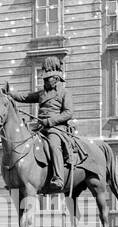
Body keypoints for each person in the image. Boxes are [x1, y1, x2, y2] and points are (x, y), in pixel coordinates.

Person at [18, 55, 75, 191]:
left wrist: (49, 121)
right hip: (40, 127)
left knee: (54, 145)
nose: (45, 80)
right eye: (44, 78)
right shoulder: (41, 93)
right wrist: (9, 93)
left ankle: (58, 178)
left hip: (56, 128)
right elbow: (25, 97)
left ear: (56, 79)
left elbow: (68, 113)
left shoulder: (64, 93)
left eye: (47, 78)